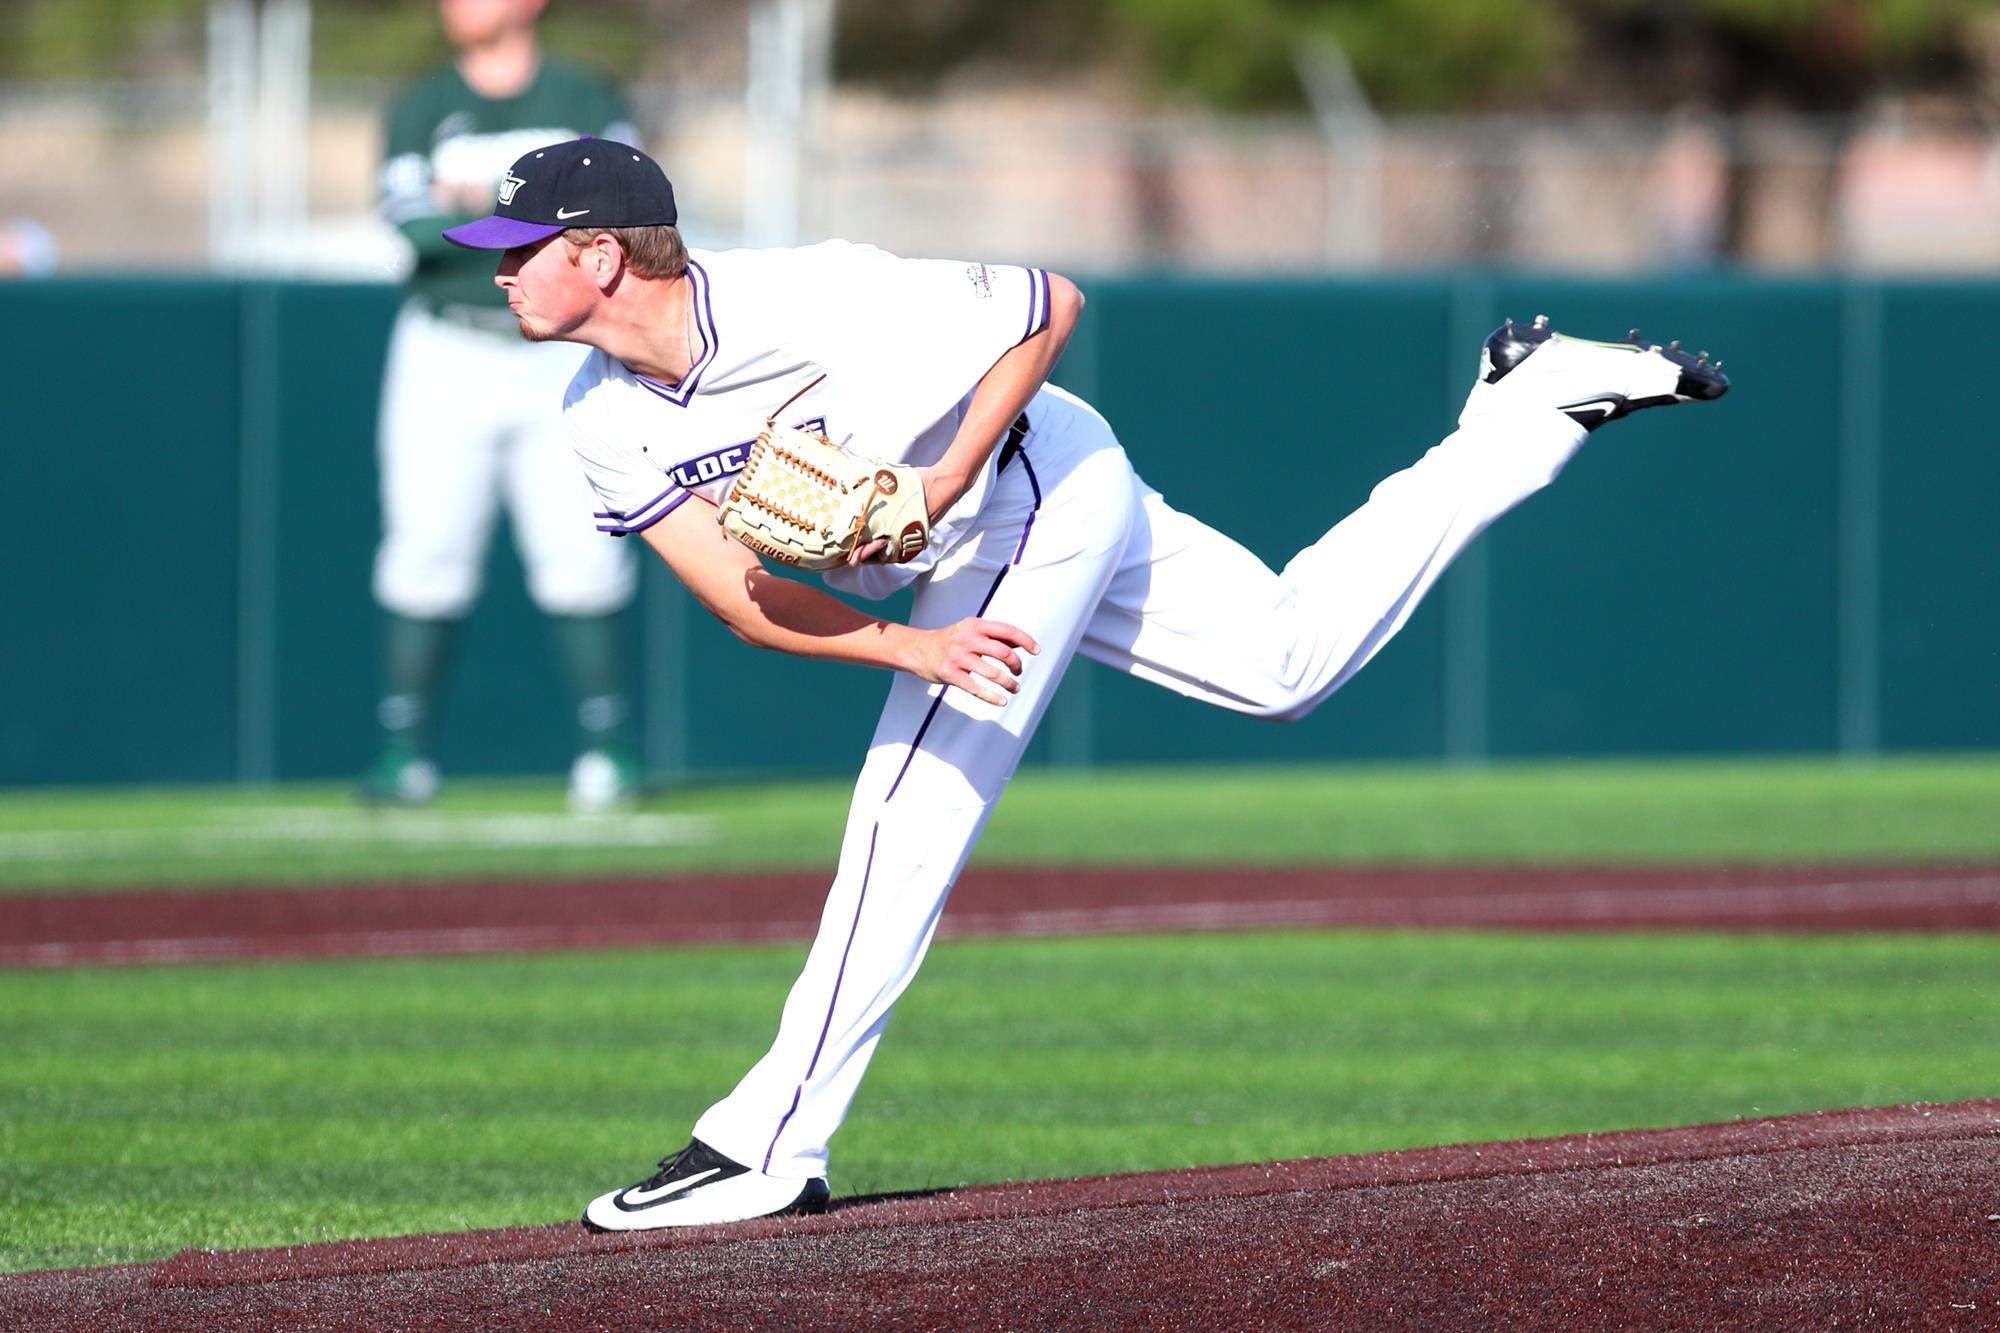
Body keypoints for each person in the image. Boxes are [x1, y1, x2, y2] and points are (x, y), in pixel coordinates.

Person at [440, 138, 1728, 1230]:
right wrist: (905, 644)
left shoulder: (804, 295)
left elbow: (1047, 302)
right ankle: (1522, 415)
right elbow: (738, 595)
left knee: (908, 803)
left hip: (1032, 485)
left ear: (600, 254)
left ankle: (766, 1141)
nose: (497, 269)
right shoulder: (600, 414)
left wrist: (937, 485)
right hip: (962, 559)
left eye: (518, 247)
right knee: (1281, 665)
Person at [362, 0, 645, 811]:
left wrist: (476, 197)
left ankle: (608, 749)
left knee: (584, 554)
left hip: (560, 348)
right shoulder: (420, 102)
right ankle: (402, 753)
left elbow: (620, 219)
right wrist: (536, 208)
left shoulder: (582, 96)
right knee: (425, 550)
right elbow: (414, 230)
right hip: (447, 341)